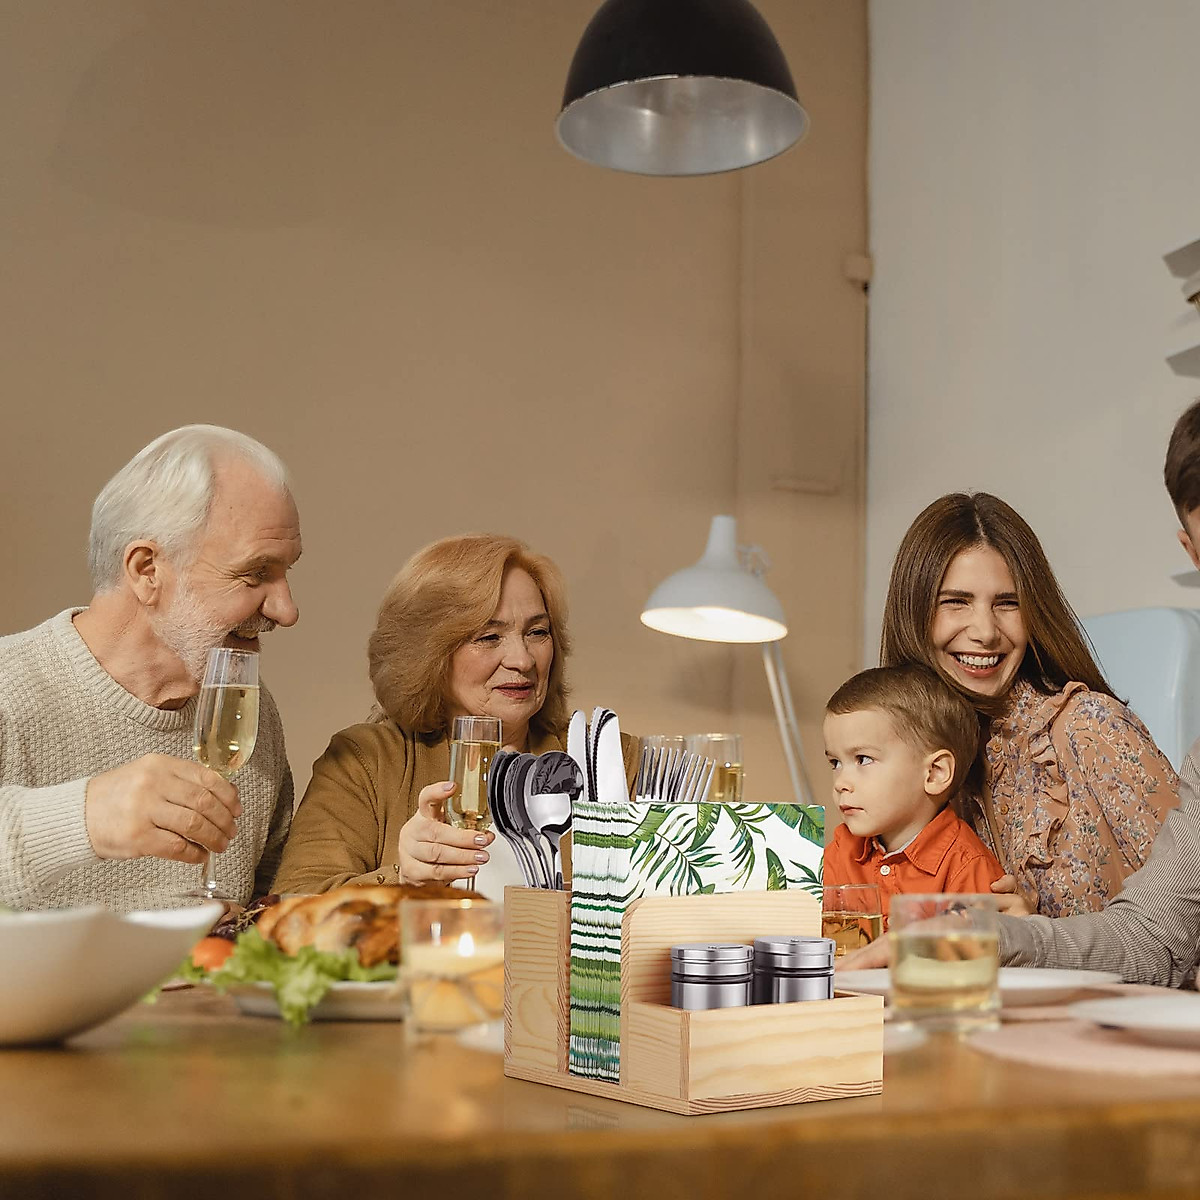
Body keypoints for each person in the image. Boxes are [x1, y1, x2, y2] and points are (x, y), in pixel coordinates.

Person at [0, 426, 301, 912]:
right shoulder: (8, 685)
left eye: (287, 572)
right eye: (255, 574)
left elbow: (271, 903)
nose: (286, 610)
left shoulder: (249, 710)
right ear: (147, 571)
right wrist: (83, 818)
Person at [272, 533, 636, 895]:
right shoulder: (364, 761)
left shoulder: (614, 760)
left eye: (537, 632)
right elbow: (293, 902)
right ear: (430, 653)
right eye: (489, 637)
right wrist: (404, 880)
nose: (523, 660)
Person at [880, 491, 1179, 917]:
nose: (985, 631)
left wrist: (1036, 935)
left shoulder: (1090, 726)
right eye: (956, 602)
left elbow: (1189, 912)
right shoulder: (923, 757)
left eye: (1007, 603)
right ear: (913, 613)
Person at [823, 664, 1004, 919]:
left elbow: (979, 944)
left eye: (863, 759)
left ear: (935, 773)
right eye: (835, 763)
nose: (841, 782)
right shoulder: (841, 850)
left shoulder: (967, 868)